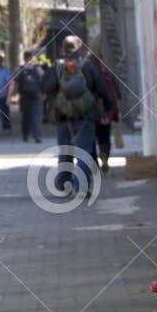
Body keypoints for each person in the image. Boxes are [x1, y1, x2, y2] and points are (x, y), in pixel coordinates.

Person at [42, 35, 116, 198]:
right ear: (81, 49)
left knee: (65, 150)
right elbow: (102, 88)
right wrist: (108, 106)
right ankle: (81, 186)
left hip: (63, 115)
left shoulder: (56, 67)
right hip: (85, 115)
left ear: (62, 49)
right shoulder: (88, 66)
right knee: (84, 151)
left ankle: (63, 184)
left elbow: (46, 88)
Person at [15, 53, 45, 143]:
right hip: (32, 96)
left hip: (27, 96)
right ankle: (33, 135)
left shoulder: (20, 69)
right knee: (31, 117)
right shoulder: (36, 68)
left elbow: (14, 82)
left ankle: (31, 135)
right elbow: (44, 79)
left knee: (31, 117)